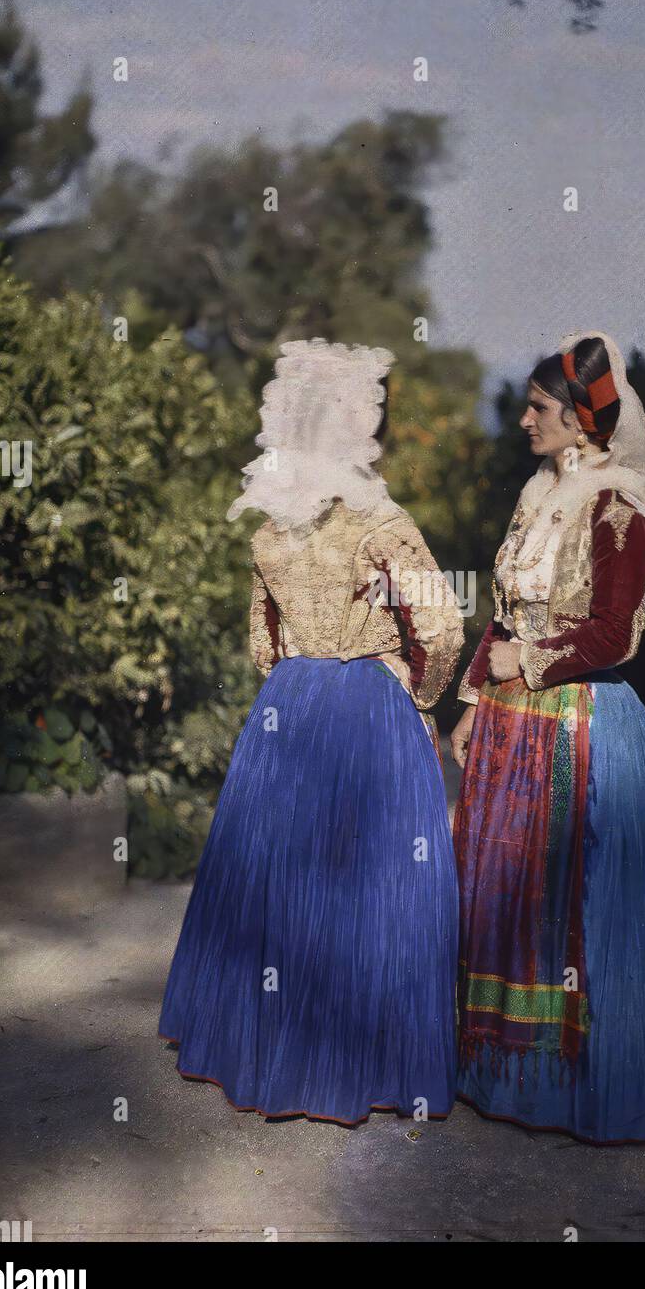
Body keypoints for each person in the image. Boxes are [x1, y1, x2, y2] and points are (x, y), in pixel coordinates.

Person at [160, 338, 463, 1125]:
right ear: (357, 424)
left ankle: (268, 1051)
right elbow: (443, 625)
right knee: (372, 882)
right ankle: (362, 1059)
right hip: (369, 703)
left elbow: (261, 644)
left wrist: (297, 677)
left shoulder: (271, 529)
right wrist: (418, 692)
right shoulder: (382, 524)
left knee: (284, 879)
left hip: (288, 707)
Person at [450, 330, 645, 1143]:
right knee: (506, 897)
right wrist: (474, 697)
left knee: (576, 907)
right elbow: (503, 611)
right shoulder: (536, 495)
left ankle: (588, 1084)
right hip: (512, 725)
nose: (523, 422)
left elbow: (615, 634)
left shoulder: (619, 504)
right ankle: (498, 1073)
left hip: (584, 728)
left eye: (537, 409)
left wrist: (521, 661)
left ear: (578, 420)